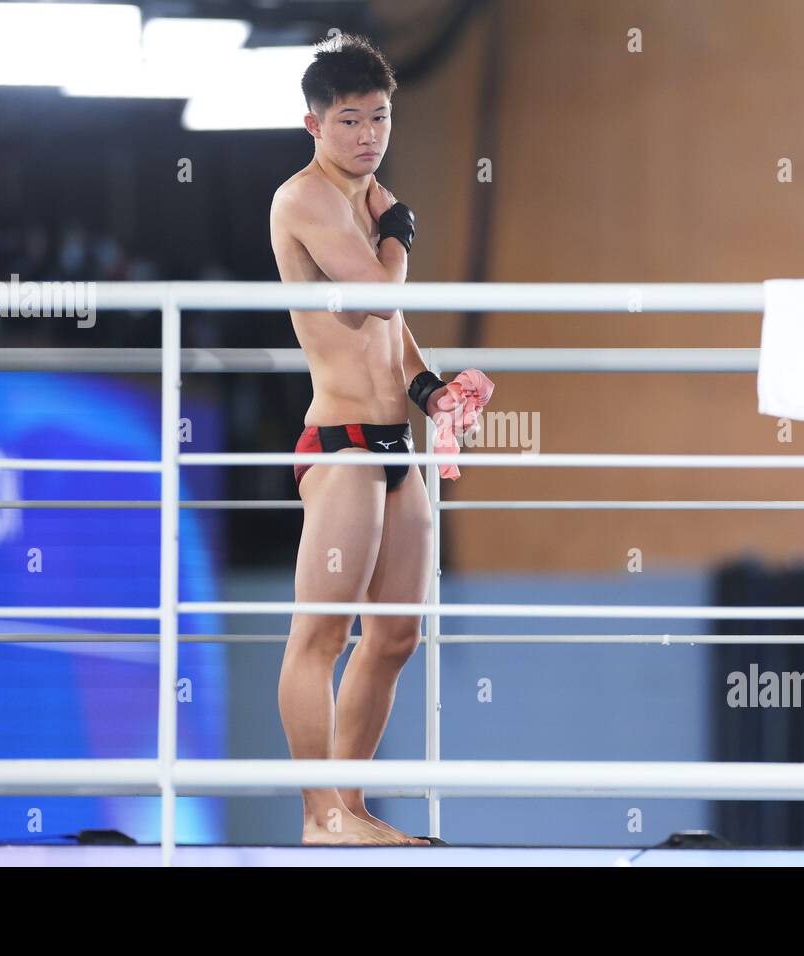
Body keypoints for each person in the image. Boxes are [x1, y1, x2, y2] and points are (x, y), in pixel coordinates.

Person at [269, 33, 493, 846]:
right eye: (353, 120)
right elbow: (372, 289)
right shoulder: (304, 200)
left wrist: (431, 386)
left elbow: (388, 325)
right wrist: (399, 235)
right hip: (342, 445)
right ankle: (317, 814)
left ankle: (350, 808)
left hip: (398, 444)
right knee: (320, 636)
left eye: (382, 119)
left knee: (395, 636)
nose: (370, 135)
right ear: (314, 125)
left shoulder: (371, 196)